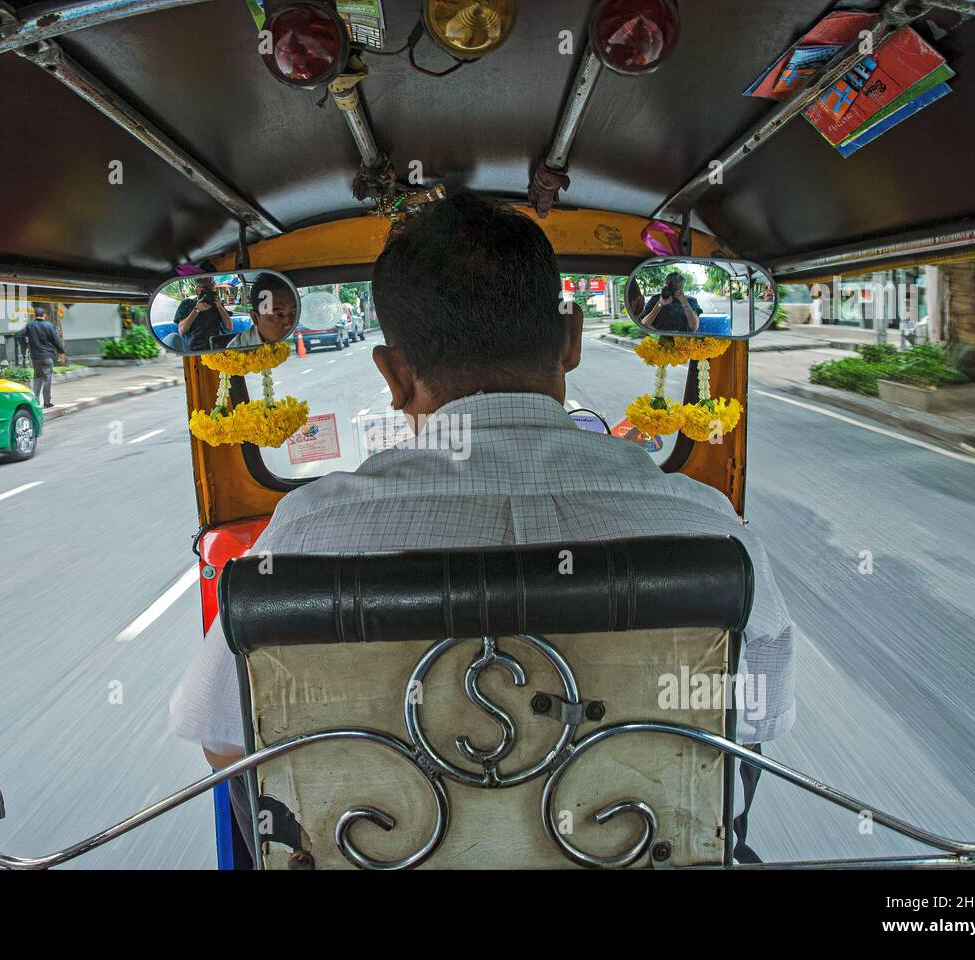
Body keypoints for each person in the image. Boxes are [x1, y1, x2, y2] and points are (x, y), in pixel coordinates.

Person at [169, 194, 793, 862]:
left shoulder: (305, 533)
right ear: (572, 340)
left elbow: (222, 736)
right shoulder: (709, 530)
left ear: (393, 375)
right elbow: (751, 726)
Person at [223, 273, 299, 349]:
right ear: (255, 318)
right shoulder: (236, 351)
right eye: (278, 315)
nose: (289, 324)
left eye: (293, 312)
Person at [21, 305, 65, 409]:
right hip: (47, 356)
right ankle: (47, 402)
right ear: (44, 315)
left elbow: (20, 335)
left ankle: (35, 401)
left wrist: (25, 345)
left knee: (37, 378)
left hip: (35, 357)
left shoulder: (29, 325)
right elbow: (55, 340)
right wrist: (61, 351)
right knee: (47, 378)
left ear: (34, 315)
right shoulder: (49, 326)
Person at [175, 277, 234, 352]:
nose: (206, 293)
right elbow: (182, 330)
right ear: (196, 290)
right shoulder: (187, 303)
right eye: (203, 289)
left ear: (214, 288)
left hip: (217, 347)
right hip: (194, 350)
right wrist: (197, 310)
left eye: (209, 288)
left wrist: (219, 307)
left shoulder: (218, 304)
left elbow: (230, 328)